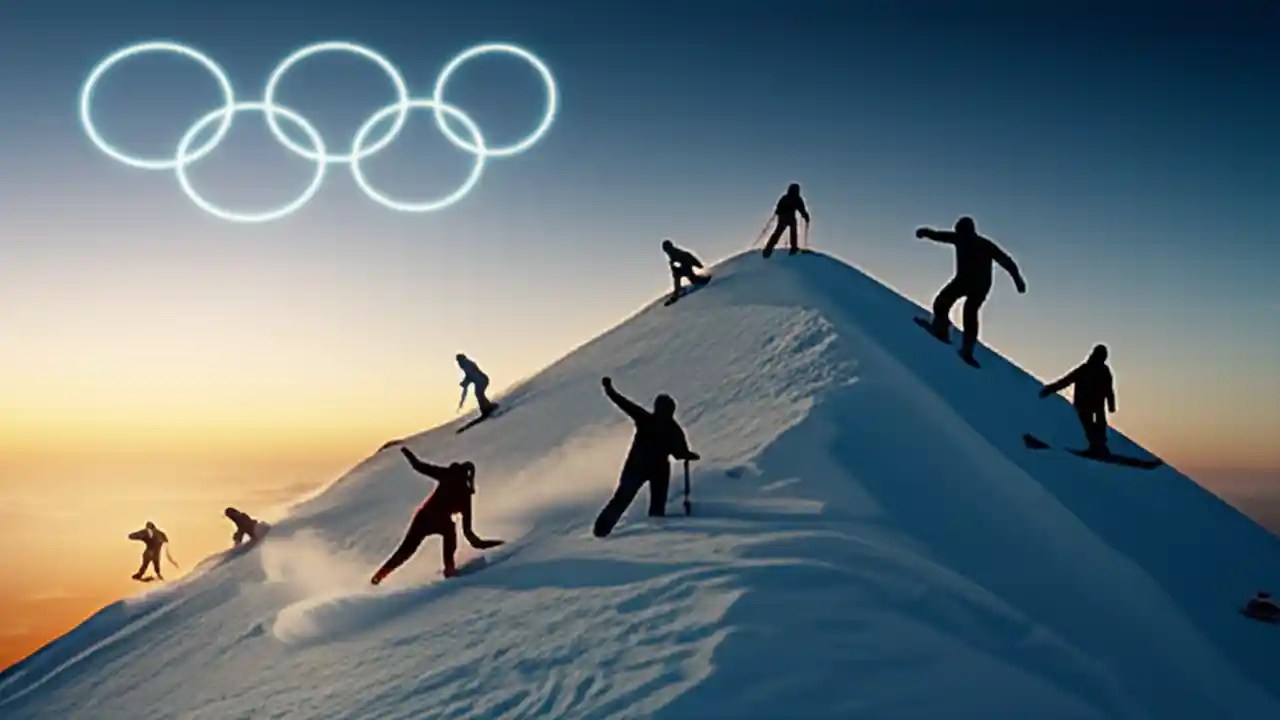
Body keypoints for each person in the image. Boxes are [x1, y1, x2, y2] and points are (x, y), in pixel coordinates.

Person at [371, 447, 503, 584]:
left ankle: (379, 577)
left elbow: (419, 466)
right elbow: (472, 538)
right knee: (409, 550)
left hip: (427, 518)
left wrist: (409, 454)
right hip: (429, 519)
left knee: (408, 550)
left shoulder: (450, 479)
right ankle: (449, 570)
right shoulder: (459, 489)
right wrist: (498, 544)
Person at [593, 377, 700, 538]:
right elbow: (680, 453)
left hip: (640, 467)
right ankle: (649, 532)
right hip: (651, 469)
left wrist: (610, 391)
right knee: (643, 502)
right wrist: (687, 455)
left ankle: (603, 531)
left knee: (623, 499)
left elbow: (625, 405)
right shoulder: (671, 428)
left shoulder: (651, 421)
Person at [914, 216, 1026, 366]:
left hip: (970, 282)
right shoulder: (975, 241)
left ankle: (949, 336)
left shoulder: (972, 241)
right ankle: (956, 341)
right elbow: (938, 235)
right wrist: (926, 232)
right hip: (977, 284)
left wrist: (1018, 279)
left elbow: (1006, 261)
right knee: (959, 309)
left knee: (952, 306)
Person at [1039, 344, 1117, 456]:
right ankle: (1097, 447)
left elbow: (1109, 389)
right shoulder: (1087, 369)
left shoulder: (1103, 370)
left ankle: (1100, 447)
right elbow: (1067, 380)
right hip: (1084, 403)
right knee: (1091, 425)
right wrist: (1050, 389)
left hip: (1094, 404)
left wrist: (1111, 405)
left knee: (1099, 424)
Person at [762, 183, 811, 258]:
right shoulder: (797, 198)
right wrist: (806, 217)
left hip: (783, 218)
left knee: (778, 232)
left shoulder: (785, 197)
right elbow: (802, 209)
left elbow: (778, 208)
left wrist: (778, 212)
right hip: (789, 218)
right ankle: (793, 248)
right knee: (792, 232)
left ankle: (768, 248)